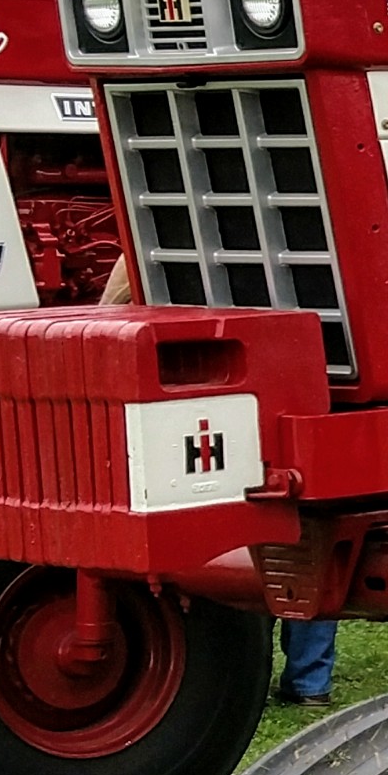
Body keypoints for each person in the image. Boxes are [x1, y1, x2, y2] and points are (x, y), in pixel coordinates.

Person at [98, 248, 336, 708]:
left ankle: (267, 675)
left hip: (221, 403)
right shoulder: (289, 255)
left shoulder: (148, 254)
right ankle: (308, 681)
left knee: (251, 535)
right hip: (292, 395)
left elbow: (115, 315)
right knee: (305, 533)